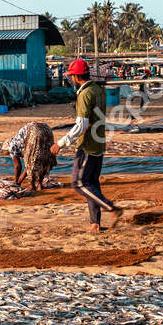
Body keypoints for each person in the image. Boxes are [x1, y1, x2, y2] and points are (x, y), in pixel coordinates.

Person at [50, 58, 120, 231]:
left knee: (79, 183)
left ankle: (111, 207)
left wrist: (61, 143)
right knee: (92, 183)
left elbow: (81, 125)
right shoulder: (98, 90)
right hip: (99, 143)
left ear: (76, 77)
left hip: (87, 145)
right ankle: (95, 223)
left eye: (71, 76)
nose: (70, 79)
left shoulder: (85, 94)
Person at [5, 120, 56, 193]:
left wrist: (16, 182)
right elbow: (29, 165)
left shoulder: (12, 146)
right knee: (44, 158)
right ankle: (39, 185)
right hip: (46, 129)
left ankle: (33, 185)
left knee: (37, 160)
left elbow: (17, 166)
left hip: (34, 130)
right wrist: (19, 181)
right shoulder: (20, 142)